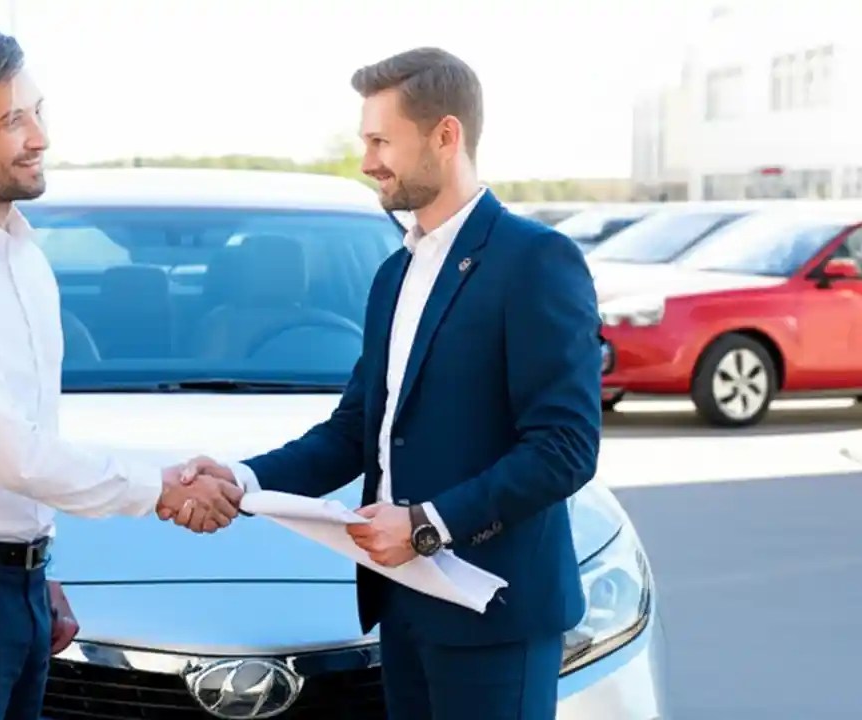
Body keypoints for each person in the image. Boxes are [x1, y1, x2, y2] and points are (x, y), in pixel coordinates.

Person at [177, 47, 602, 719]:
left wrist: (427, 525)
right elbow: (356, 433)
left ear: (445, 135)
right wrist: (241, 481)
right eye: (364, 140)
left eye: (380, 140)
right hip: (401, 607)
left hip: (493, 615)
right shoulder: (392, 276)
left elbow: (565, 447)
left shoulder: (536, 260)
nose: (367, 159)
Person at [0, 23, 242, 720]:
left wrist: (35, 572)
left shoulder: (25, 257)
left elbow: (36, 438)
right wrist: (161, 488)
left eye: (38, 111)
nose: (39, 136)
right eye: (11, 121)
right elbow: (13, 452)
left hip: (10, 588)